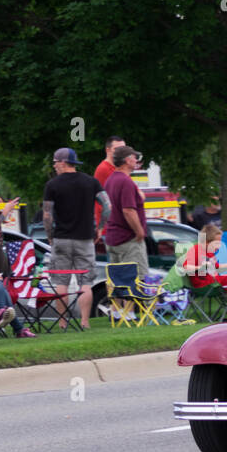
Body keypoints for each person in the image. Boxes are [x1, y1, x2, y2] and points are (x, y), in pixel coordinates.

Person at [44, 147, 108, 330]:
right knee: (86, 282)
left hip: (61, 239)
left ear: (63, 163)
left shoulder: (52, 185)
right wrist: (100, 228)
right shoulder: (91, 182)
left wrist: (50, 236)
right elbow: (108, 205)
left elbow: (47, 216)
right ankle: (85, 322)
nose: (54, 166)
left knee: (61, 283)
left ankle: (63, 323)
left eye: (55, 162)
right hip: (85, 239)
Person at [102, 145, 149, 275]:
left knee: (118, 284)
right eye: (134, 157)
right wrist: (139, 231)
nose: (136, 160)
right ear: (127, 160)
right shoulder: (125, 181)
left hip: (113, 238)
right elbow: (128, 210)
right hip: (128, 240)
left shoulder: (110, 180)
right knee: (136, 283)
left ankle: (119, 297)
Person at [182, 224, 227, 301]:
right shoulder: (196, 250)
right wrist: (201, 267)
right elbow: (186, 267)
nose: (219, 246)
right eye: (217, 243)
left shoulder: (210, 252)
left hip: (214, 281)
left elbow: (217, 267)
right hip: (204, 285)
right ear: (206, 242)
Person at [94, 135, 125, 227]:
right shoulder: (104, 169)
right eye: (117, 149)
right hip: (109, 224)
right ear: (108, 150)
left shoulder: (118, 169)